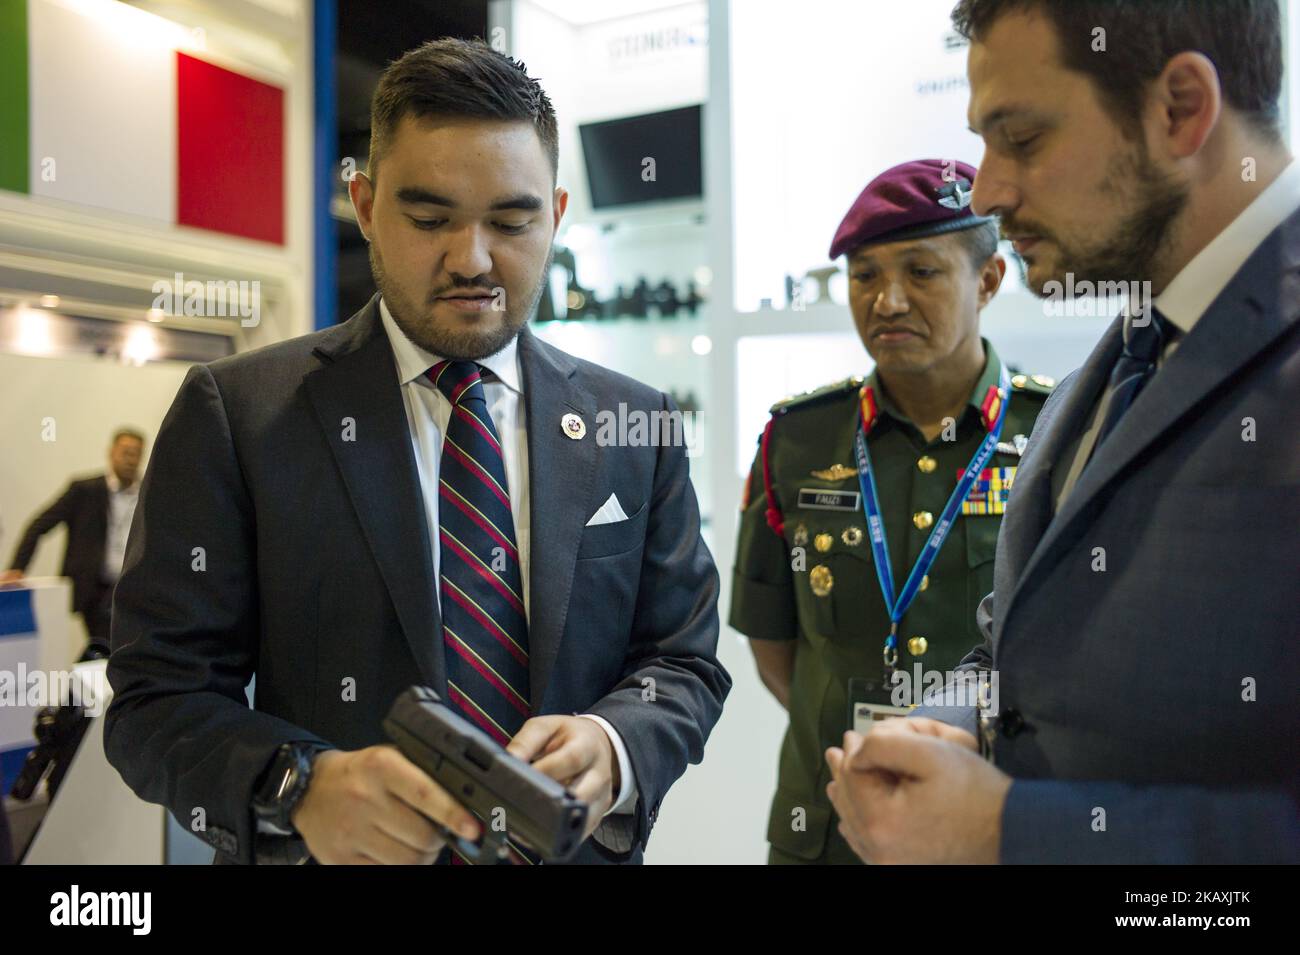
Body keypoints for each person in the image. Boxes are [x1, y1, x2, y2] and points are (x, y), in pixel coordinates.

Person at [104, 38, 729, 865]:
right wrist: (296, 787)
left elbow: (681, 659)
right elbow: (157, 696)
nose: (473, 259)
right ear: (364, 205)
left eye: (513, 220)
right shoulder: (242, 414)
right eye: (430, 218)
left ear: (559, 213)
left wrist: (615, 743)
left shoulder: (634, 423)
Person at [827, 0, 1300, 864]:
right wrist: (953, 721)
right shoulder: (1122, 356)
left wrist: (1007, 832)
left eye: (1021, 137)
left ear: (1181, 108)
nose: (988, 190)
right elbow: (1029, 639)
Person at [730, 158, 1054, 863]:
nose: (888, 300)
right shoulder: (798, 438)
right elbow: (773, 643)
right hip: (825, 824)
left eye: (922, 271)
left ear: (990, 280)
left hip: (983, 824)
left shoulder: (1055, 435)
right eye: (865, 275)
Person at [2, 428, 145, 659]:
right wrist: (18, 568)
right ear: (111, 453)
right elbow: (39, 526)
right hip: (96, 589)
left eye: (137, 453)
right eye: (126, 452)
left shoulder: (148, 492)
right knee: (108, 645)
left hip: (134, 587)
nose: (131, 459)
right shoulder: (84, 490)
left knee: (120, 649)